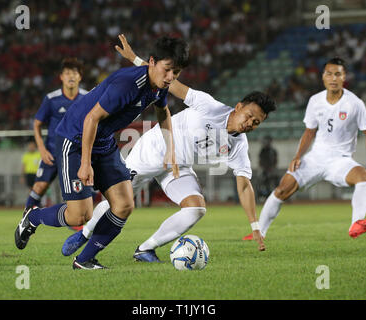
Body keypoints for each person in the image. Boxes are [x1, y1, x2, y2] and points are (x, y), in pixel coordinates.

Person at [61, 34, 276, 262]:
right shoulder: (209, 106)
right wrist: (135, 59)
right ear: (239, 107)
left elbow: (244, 186)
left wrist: (255, 226)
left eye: (256, 123)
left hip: (177, 166)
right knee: (119, 201)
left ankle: (145, 248)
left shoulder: (239, 145)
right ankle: (85, 233)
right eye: (249, 116)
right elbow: (168, 81)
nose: (250, 123)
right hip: (153, 150)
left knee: (196, 208)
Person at [14, 36, 189, 270]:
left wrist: (171, 151)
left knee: (124, 204)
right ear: (152, 62)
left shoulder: (158, 87)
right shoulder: (128, 84)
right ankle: (32, 217)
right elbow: (91, 118)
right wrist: (85, 163)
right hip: (75, 138)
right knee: (79, 216)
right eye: (167, 70)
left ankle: (84, 260)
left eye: (176, 72)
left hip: (103, 141)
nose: (171, 78)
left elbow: (163, 112)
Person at [244, 57, 366, 241]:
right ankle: (259, 233)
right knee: (282, 190)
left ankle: (356, 224)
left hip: (341, 160)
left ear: (344, 77)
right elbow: (309, 132)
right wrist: (298, 156)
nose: (333, 78)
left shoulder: (355, 103)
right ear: (323, 77)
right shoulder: (315, 101)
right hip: (315, 158)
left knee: (363, 177)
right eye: (329, 74)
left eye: (337, 74)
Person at [25, 57, 88, 208]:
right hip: (52, 153)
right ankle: (26, 219)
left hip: (75, 155)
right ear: (61, 77)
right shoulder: (51, 99)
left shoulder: (88, 98)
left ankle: (81, 223)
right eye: (67, 73)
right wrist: (41, 148)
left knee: (80, 192)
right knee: (39, 188)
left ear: (80, 76)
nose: (71, 76)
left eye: (74, 73)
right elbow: (37, 123)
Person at [256, 135, 278, 202]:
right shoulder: (263, 150)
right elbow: (260, 161)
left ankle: (275, 197)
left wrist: (272, 168)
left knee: (274, 184)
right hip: (264, 170)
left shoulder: (273, 151)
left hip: (272, 170)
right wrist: (264, 168)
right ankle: (261, 197)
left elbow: (275, 160)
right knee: (261, 183)